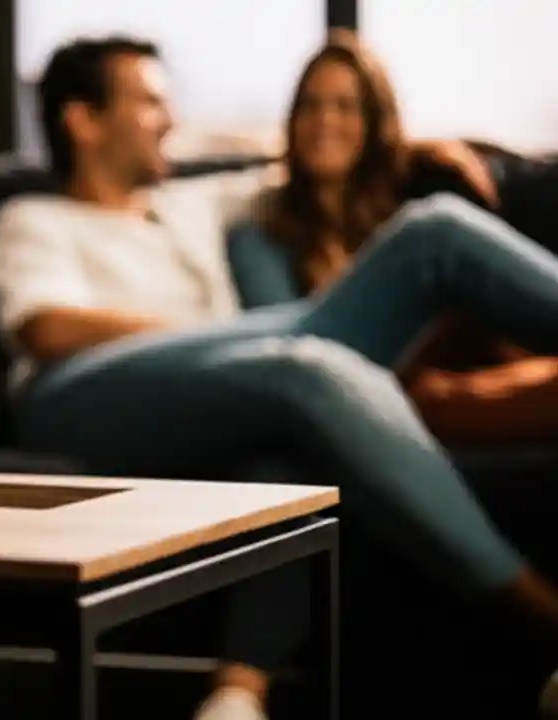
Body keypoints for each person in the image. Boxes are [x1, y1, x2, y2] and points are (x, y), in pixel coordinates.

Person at [0, 35, 558, 720]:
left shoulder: (192, 203)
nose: (169, 119)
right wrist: (202, 340)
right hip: (79, 397)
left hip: (227, 384)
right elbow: (44, 327)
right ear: (82, 119)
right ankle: (542, 615)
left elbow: (322, 155)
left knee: (407, 266)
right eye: (149, 101)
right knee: (309, 357)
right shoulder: (32, 219)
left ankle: (235, 696)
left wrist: (440, 149)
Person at [228, 31, 558, 444]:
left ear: (372, 120)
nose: (324, 121)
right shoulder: (264, 235)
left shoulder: (412, 195)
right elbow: (289, 351)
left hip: (479, 364)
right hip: (391, 398)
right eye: (309, 105)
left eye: (345, 106)